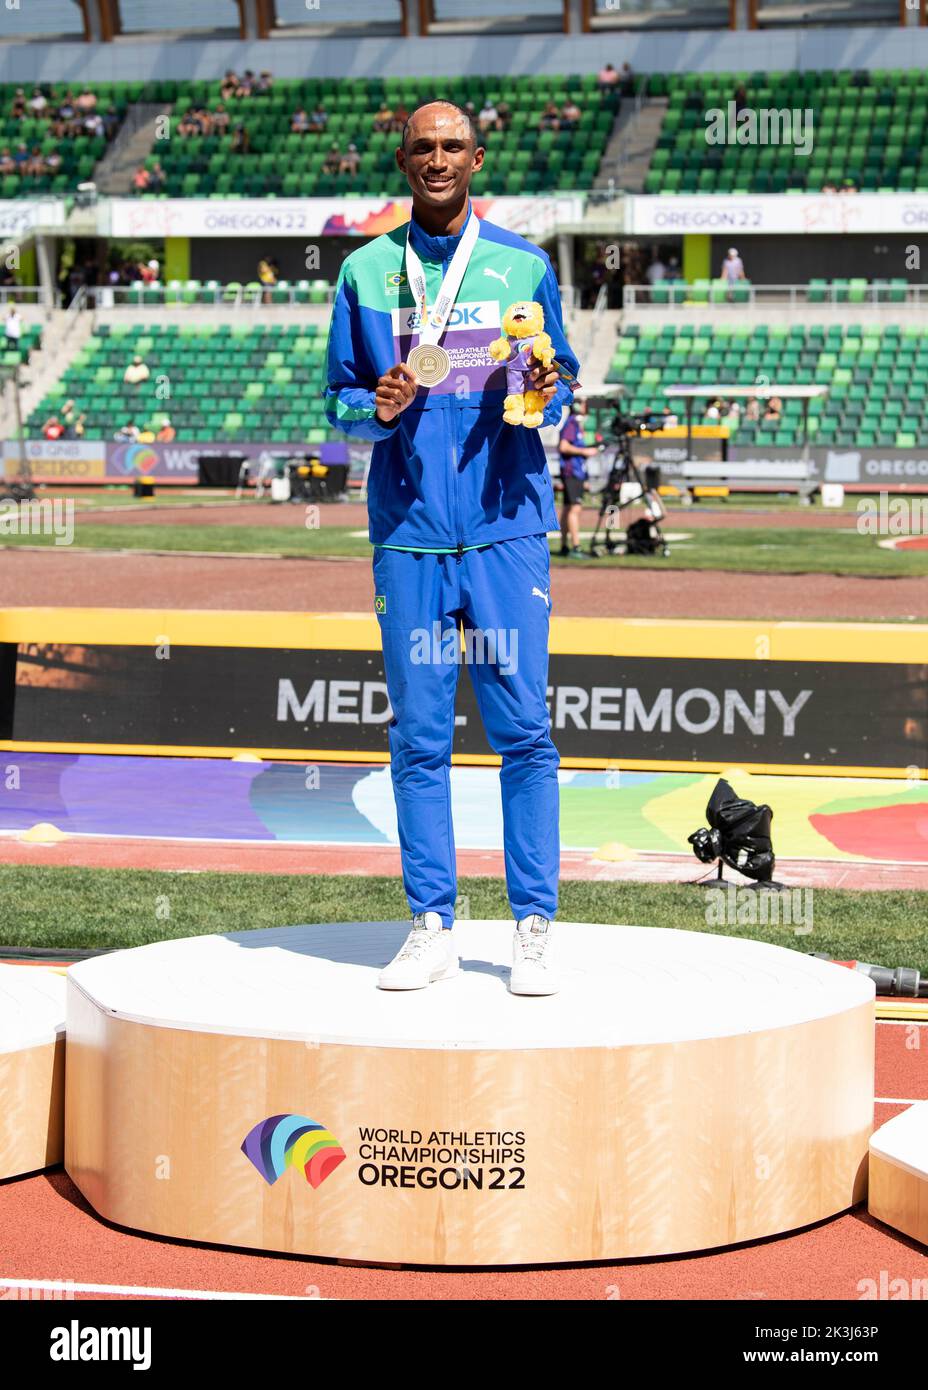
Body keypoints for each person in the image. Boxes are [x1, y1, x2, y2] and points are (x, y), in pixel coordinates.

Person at [326, 100, 579, 996]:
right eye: (421, 147)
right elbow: (339, 402)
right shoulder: (362, 271)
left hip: (506, 529)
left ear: (476, 158)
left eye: (451, 147)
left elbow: (560, 382)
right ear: (404, 160)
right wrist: (376, 408)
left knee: (525, 732)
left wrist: (545, 388)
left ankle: (533, 925)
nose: (437, 160)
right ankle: (432, 920)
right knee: (420, 737)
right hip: (409, 535)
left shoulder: (521, 264)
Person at [558, 395, 598, 559]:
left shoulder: (575, 424)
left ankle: (565, 546)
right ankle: (576, 547)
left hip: (575, 472)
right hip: (572, 472)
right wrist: (584, 451)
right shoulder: (572, 423)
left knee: (568, 508)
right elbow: (564, 446)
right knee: (575, 508)